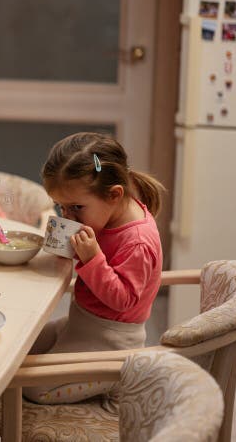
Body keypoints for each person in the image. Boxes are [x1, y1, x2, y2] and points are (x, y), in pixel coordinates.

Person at [24, 132, 165, 404]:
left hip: (111, 343)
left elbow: (122, 300)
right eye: (62, 207)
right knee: (17, 352)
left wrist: (92, 259)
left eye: (76, 207)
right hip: (81, 322)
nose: (68, 216)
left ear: (114, 195)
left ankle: (110, 379)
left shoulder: (137, 242)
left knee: (33, 387)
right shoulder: (104, 214)